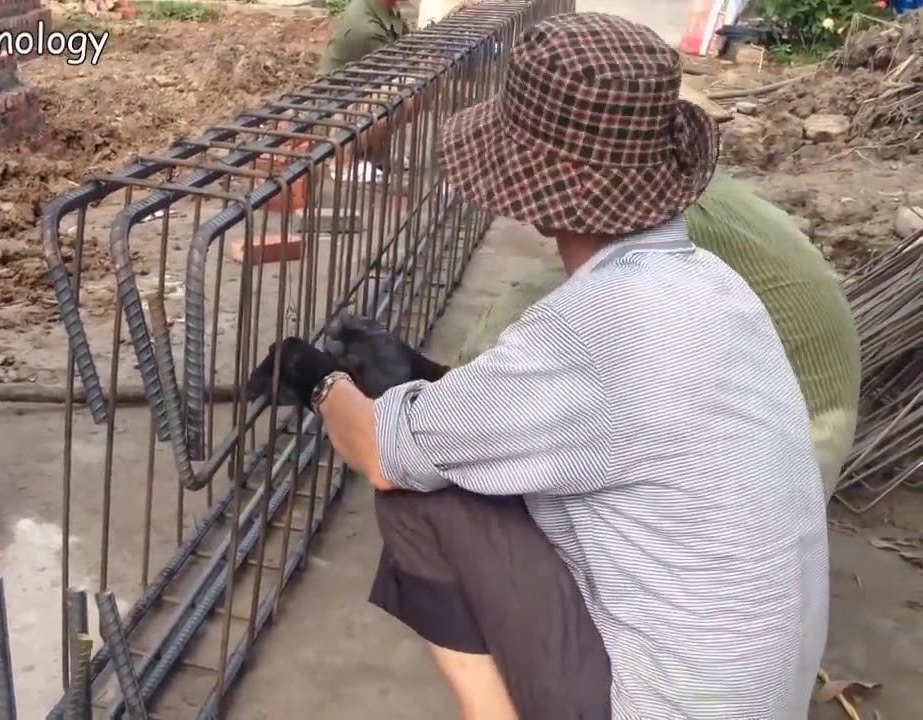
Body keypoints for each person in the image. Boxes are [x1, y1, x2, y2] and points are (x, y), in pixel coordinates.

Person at [247, 13, 829, 720]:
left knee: (422, 497)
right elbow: (575, 416)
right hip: (763, 697)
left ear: (539, 189)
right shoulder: (713, 286)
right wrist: (425, 380)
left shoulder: (598, 321)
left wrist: (317, 380)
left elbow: (380, 451)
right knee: (468, 460)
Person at [457, 172, 862, 498]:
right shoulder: (673, 200)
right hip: (791, 428)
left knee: (462, 485)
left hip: (787, 459)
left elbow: (502, 347)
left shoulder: (647, 240)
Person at [315, 0, 411, 183]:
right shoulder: (367, 28)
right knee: (404, 91)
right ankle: (344, 162)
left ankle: (373, 152)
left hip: (357, 96)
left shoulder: (385, 9)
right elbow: (396, 71)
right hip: (333, 113)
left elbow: (410, 51)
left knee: (413, 88)